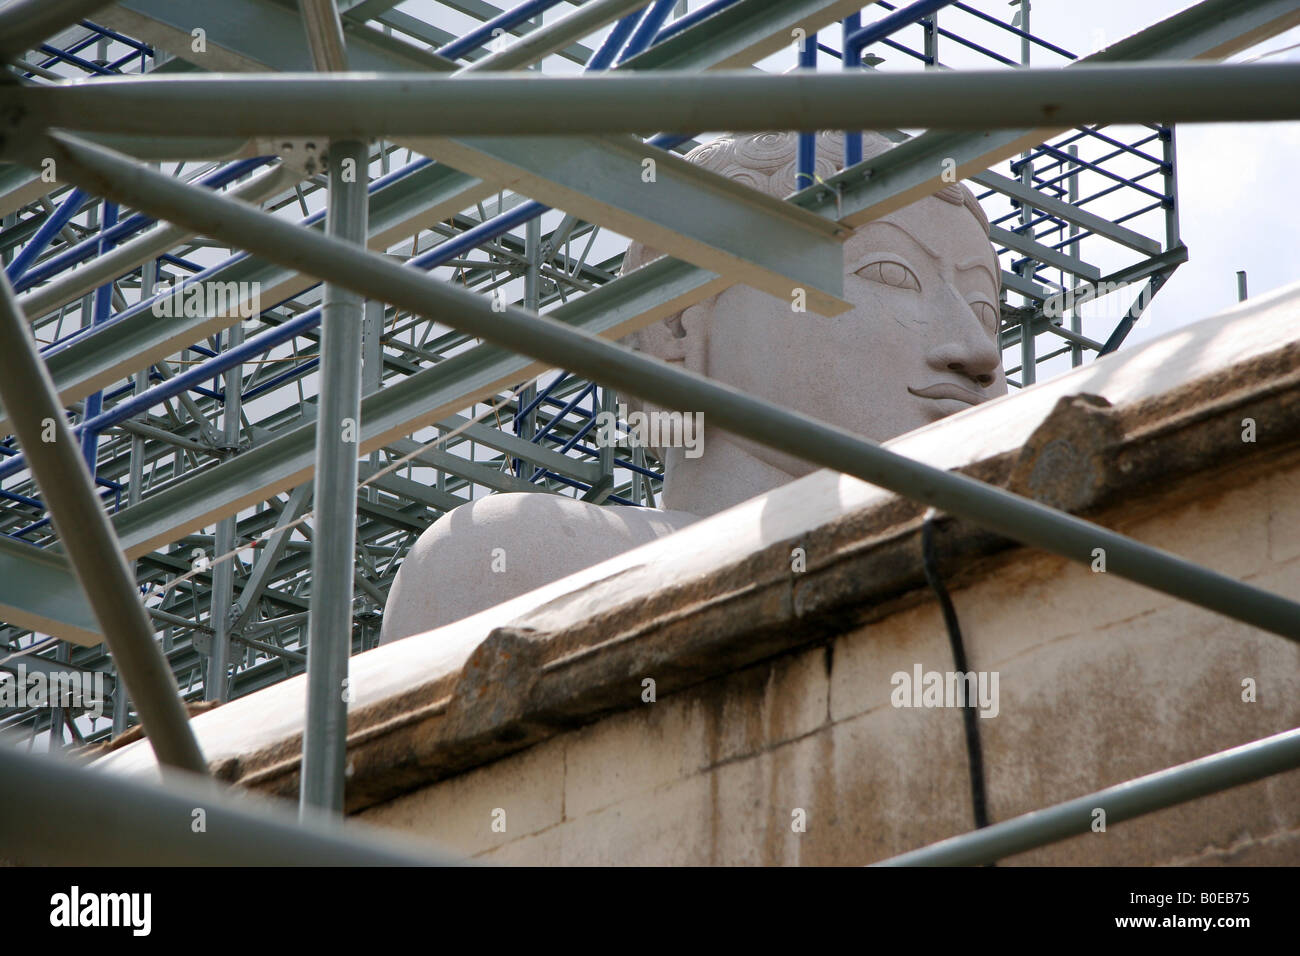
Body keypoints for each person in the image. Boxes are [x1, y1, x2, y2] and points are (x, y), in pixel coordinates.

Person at [380, 131, 1005, 642]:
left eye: (986, 311)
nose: (978, 352)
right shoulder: (523, 564)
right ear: (679, 323)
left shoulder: (1029, 573)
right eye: (891, 273)